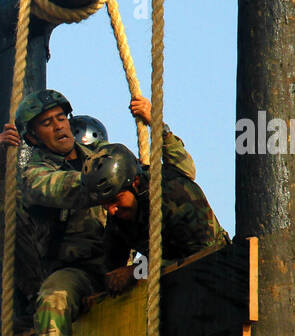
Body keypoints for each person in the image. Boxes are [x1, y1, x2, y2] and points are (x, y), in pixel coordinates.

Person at [0, 89, 108, 336]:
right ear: (32, 136)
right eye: (47, 123)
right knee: (53, 299)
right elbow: (61, 189)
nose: (59, 127)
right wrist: (109, 179)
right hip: (78, 270)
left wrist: (158, 130)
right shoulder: (35, 173)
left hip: (122, 260)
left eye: (61, 118)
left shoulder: (102, 157)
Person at [83, 125, 230, 296]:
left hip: (216, 275)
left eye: (115, 201)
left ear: (135, 184)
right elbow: (111, 264)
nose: (111, 210)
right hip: (169, 286)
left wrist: (135, 272)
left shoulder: (175, 194)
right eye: (105, 204)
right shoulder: (120, 213)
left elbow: (203, 256)